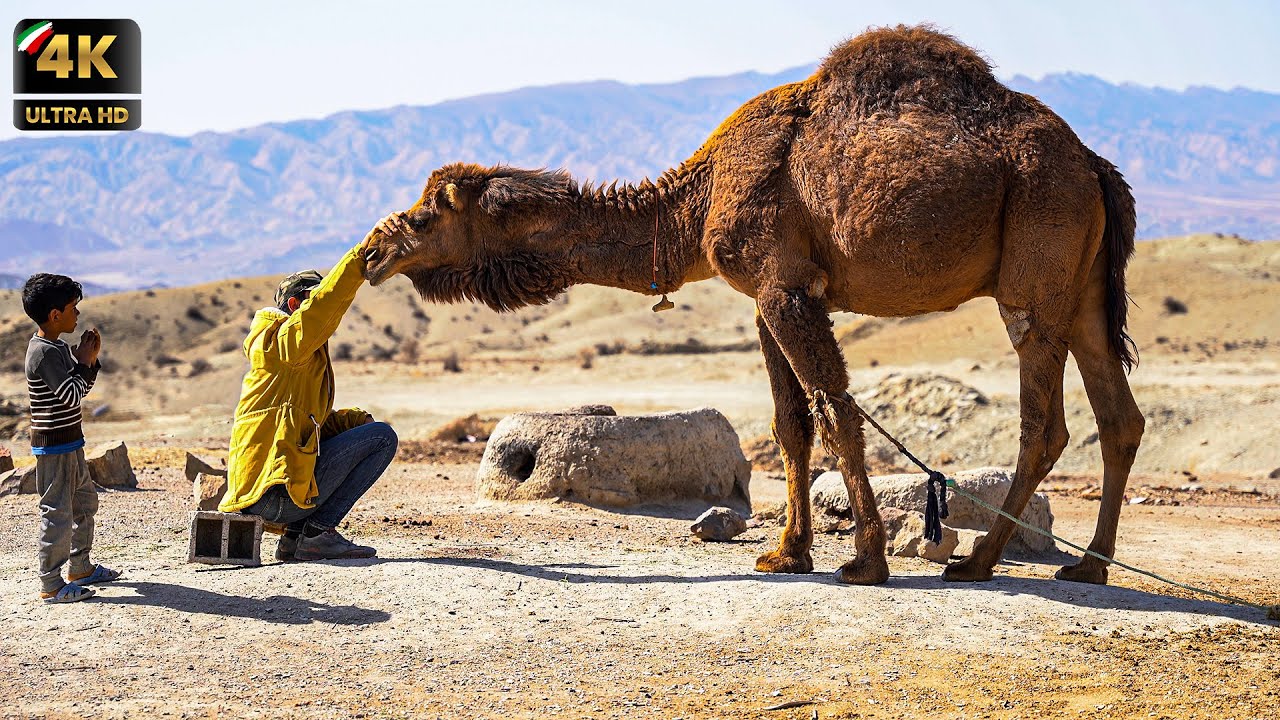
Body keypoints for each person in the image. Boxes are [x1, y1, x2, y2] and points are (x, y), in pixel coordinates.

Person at [219, 217, 401, 562]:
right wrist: (358, 260)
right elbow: (324, 307)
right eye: (311, 301)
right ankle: (316, 534)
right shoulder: (283, 346)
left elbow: (306, 425)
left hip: (268, 491)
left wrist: (350, 423)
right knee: (382, 438)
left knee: (368, 432)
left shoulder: (293, 356)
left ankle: (295, 541)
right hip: (271, 492)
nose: (322, 314)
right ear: (294, 306)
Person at [22, 273, 121, 603]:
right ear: (54, 315)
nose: (77, 315)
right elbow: (71, 394)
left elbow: (79, 389)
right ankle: (51, 584)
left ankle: (79, 568)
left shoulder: (57, 347)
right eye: (72, 308)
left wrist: (87, 363)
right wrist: (84, 362)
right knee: (58, 513)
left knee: (84, 504)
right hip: (54, 448)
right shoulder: (43, 353)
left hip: (70, 442)